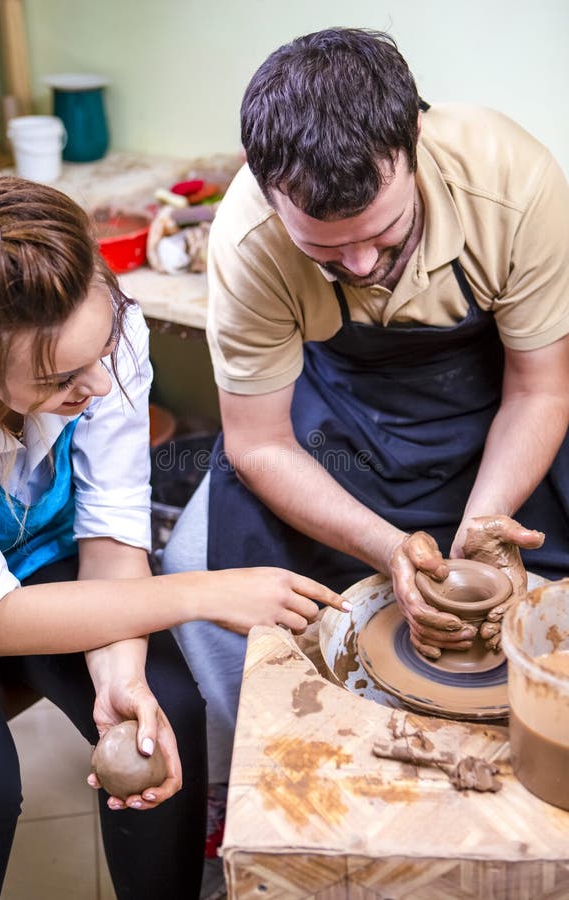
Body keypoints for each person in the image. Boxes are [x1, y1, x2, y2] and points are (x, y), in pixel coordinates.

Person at [163, 27, 569, 792]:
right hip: (342, 413)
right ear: (264, 179)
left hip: (496, 404)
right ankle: (257, 789)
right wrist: (391, 552)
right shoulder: (248, 238)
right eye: (324, 250)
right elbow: (259, 443)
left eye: (382, 235)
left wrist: (483, 527)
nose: (358, 267)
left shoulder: (511, 178)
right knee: (196, 564)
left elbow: (540, 388)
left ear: (413, 141)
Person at [0, 172, 347, 900]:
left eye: (100, 349)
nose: (100, 387)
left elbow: (111, 542)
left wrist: (120, 680)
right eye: (58, 380)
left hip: (43, 560)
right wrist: (204, 593)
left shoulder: (107, 336)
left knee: (161, 708)